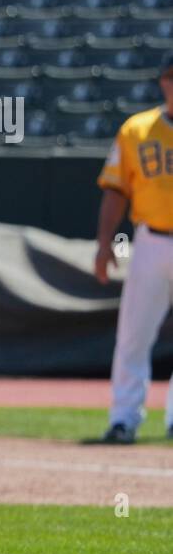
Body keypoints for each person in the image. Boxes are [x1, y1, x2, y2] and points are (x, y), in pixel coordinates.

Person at [94, 53, 173, 444]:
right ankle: (123, 418)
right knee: (133, 334)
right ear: (163, 81)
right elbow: (115, 190)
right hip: (151, 240)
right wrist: (104, 244)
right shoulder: (136, 129)